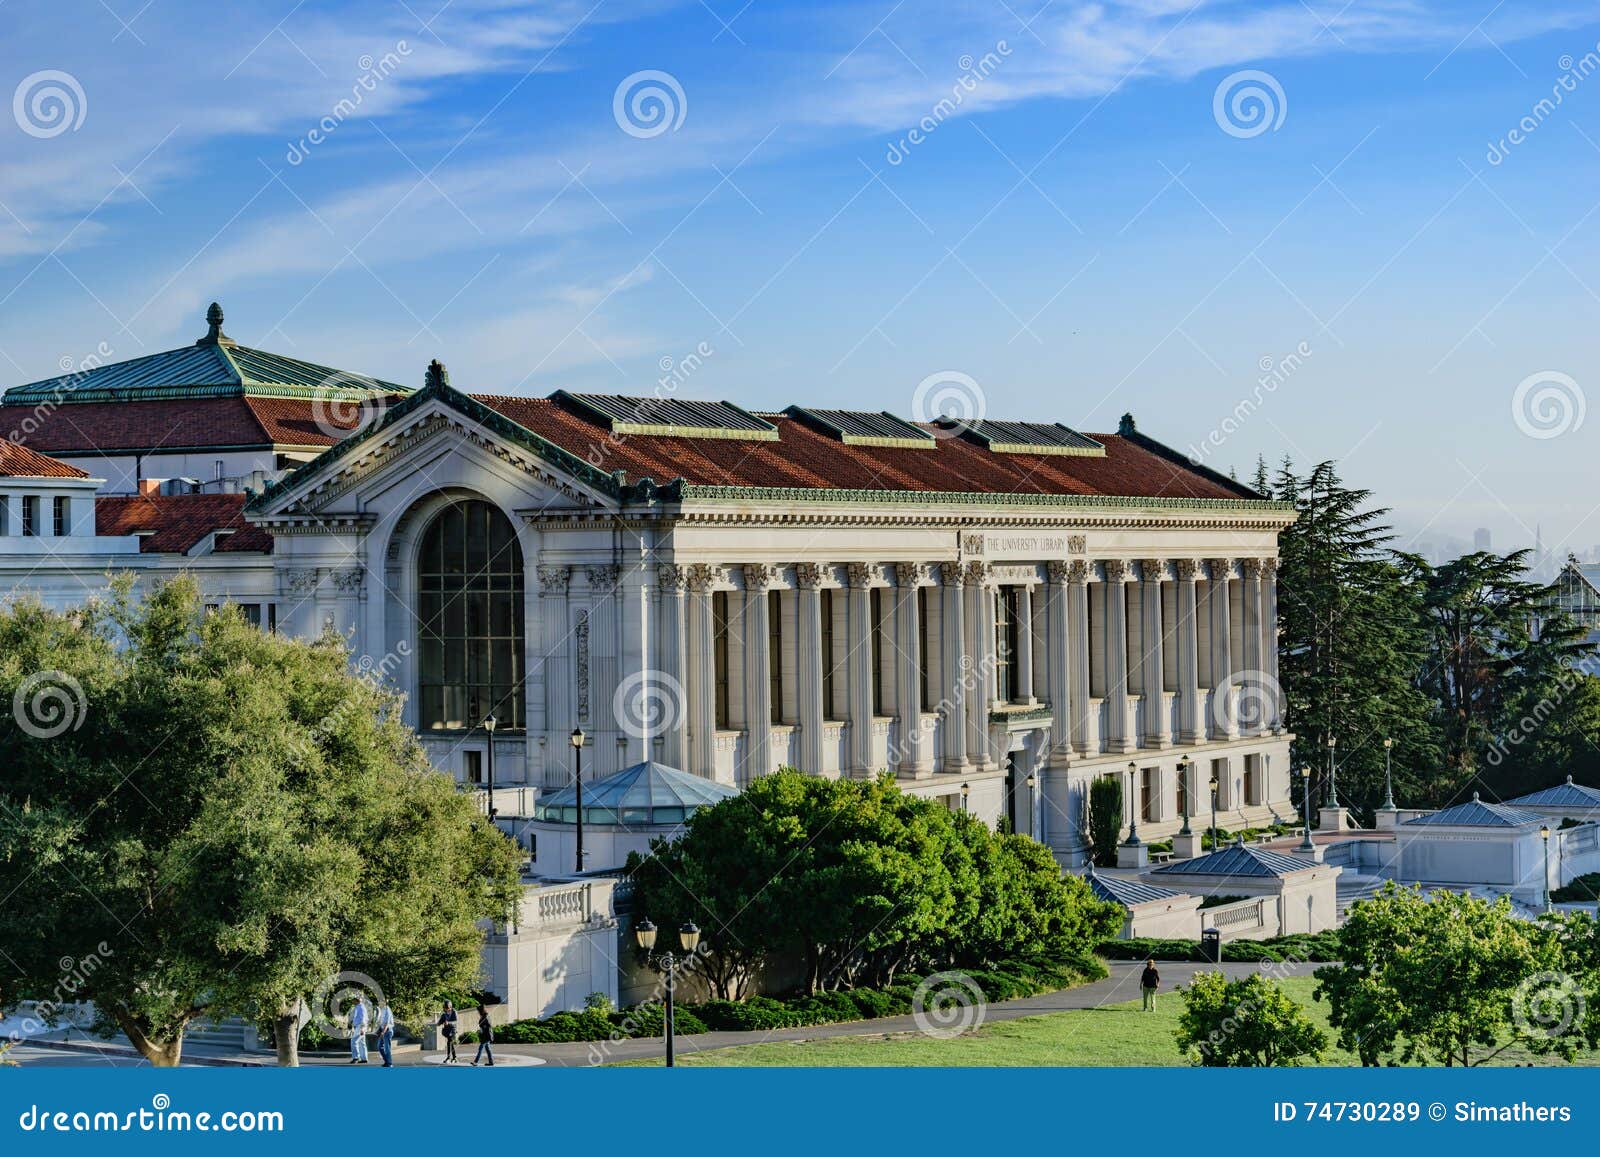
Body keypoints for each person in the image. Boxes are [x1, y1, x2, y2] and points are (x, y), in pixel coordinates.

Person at [374, 1000, 395, 1068]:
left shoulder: (387, 1009)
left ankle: (389, 1063)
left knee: (387, 1048)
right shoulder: (381, 1010)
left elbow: (387, 1023)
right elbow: (380, 1021)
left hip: (387, 1031)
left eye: (380, 1002)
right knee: (379, 1047)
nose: (379, 1003)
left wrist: (383, 1032)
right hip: (383, 1031)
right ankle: (387, 1061)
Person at [349, 996, 370, 1063]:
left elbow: (363, 1018)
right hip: (360, 1026)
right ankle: (364, 1058)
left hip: (360, 1027)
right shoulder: (359, 1007)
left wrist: (362, 1028)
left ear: (356, 1000)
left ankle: (356, 1058)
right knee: (362, 1043)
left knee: (354, 1041)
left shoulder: (360, 1007)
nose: (352, 1001)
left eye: (353, 1000)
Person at [436, 1000, 459, 1064]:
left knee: (449, 1043)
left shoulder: (454, 1012)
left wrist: (448, 1023)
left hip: (452, 1030)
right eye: (445, 1008)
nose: (446, 1010)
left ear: (450, 1007)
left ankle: (449, 1058)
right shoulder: (444, 1013)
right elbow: (441, 1020)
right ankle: (454, 1057)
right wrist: (438, 1023)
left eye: (447, 1008)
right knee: (450, 1043)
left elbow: (456, 1022)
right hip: (447, 1030)